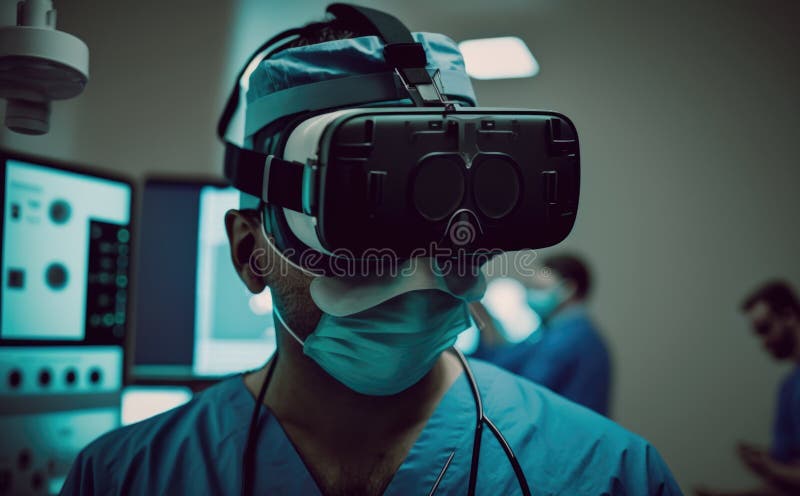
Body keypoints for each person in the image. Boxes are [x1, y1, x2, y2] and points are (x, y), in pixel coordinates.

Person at [60, 8, 680, 495]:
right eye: (362, 216)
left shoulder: (609, 476)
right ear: (252, 253)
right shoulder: (127, 478)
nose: (417, 268)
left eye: (444, 212)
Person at [472, 253, 612, 415]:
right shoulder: (552, 334)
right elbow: (502, 360)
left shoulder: (569, 340)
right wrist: (485, 322)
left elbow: (522, 393)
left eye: (539, 288)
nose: (529, 295)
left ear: (567, 290)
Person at [695, 281, 800, 496]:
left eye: (765, 329)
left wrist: (769, 467)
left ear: (789, 315)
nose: (763, 343)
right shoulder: (788, 388)